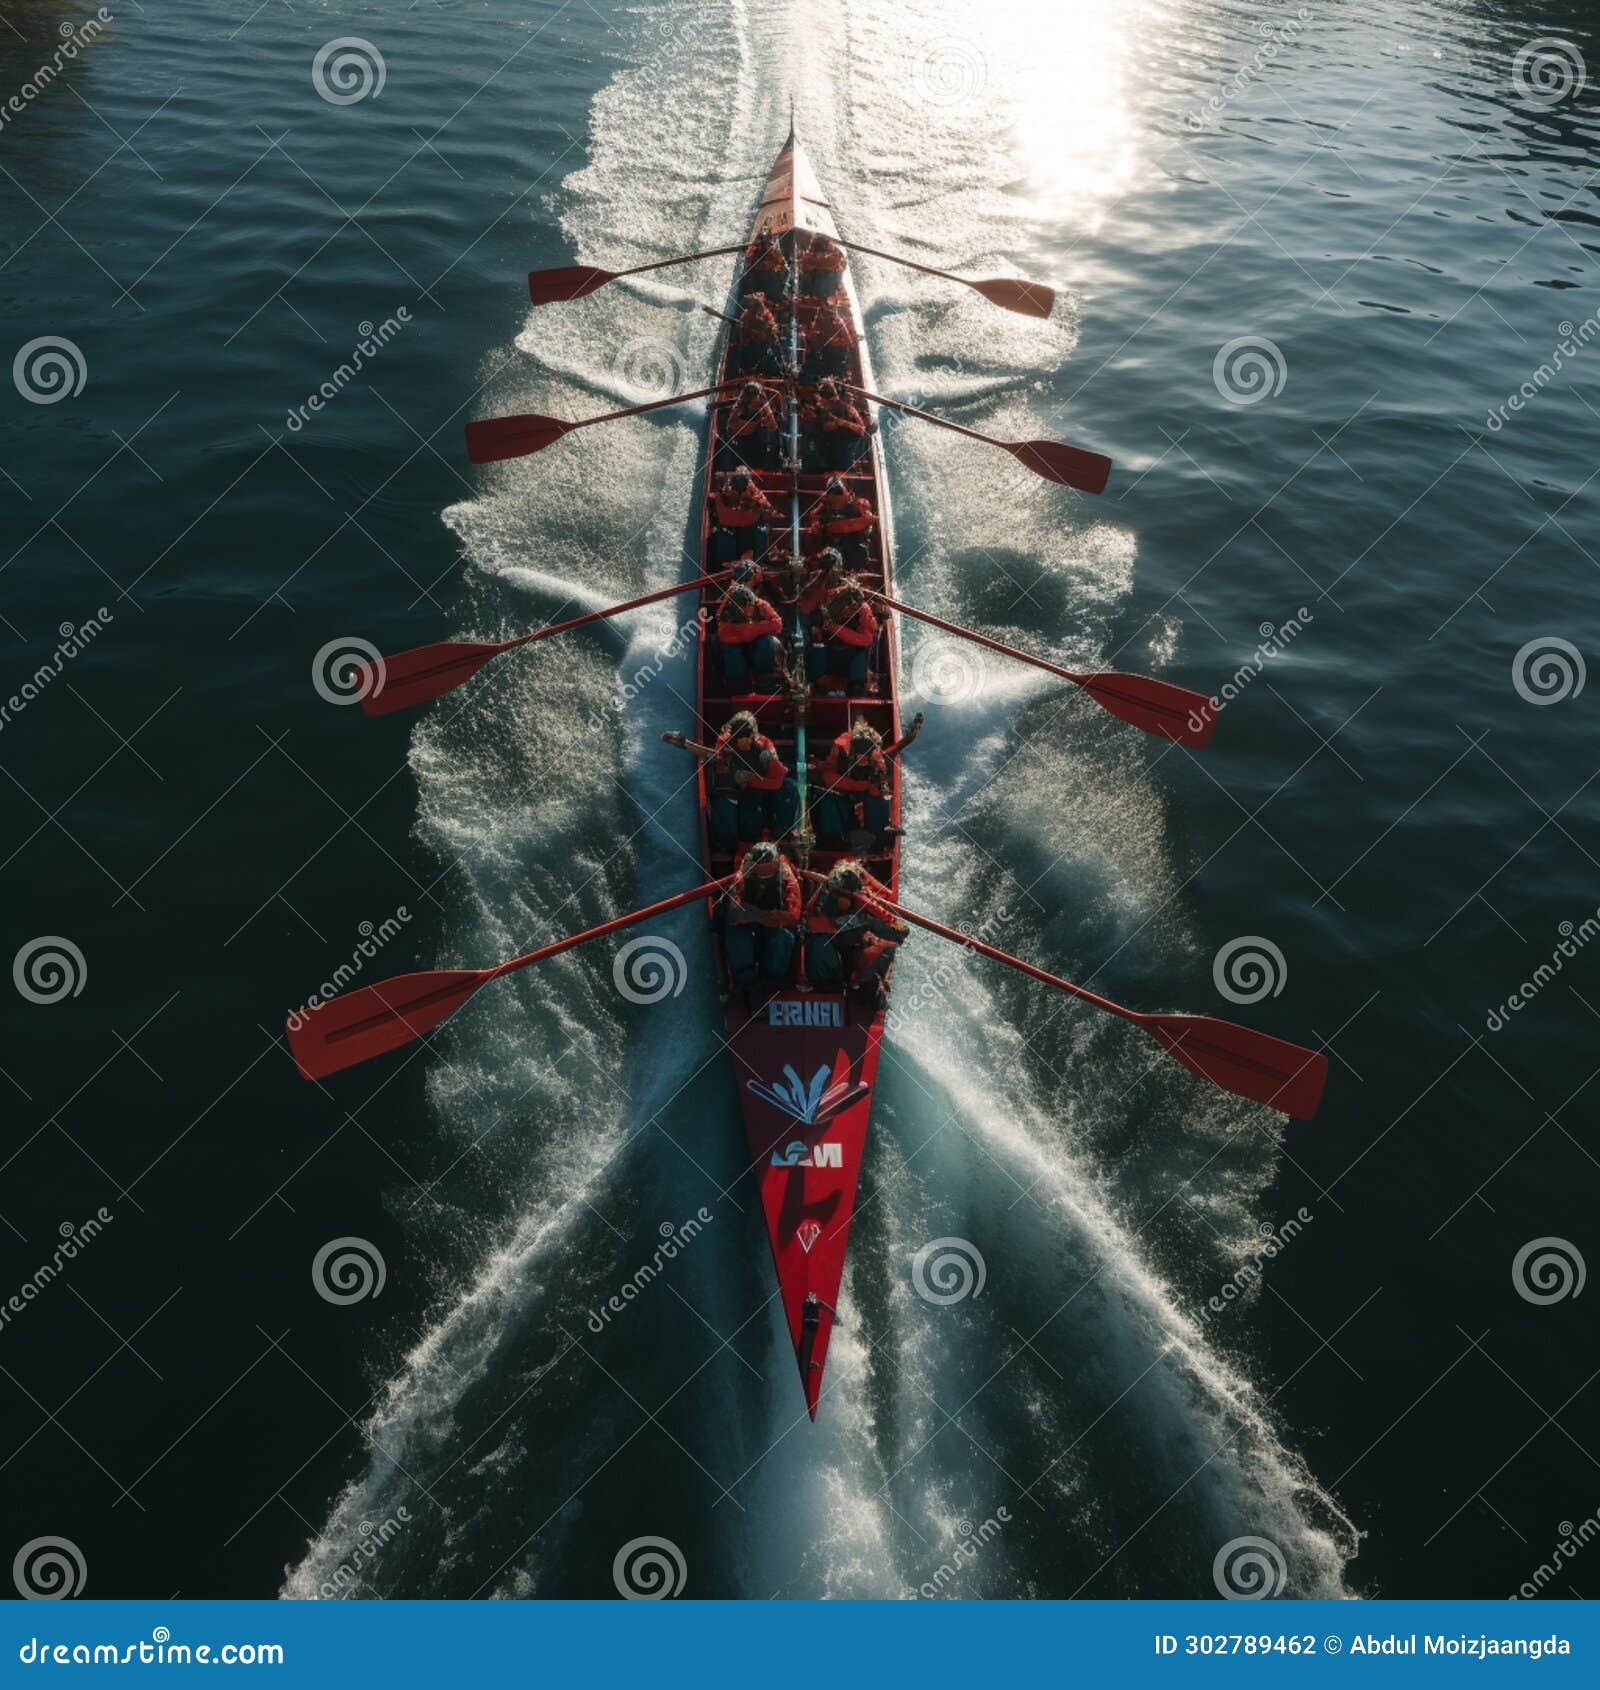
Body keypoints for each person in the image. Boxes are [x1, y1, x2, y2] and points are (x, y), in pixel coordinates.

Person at [664, 709, 798, 850]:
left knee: (788, 786)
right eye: (740, 735)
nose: (745, 739)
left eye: (748, 734)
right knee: (726, 794)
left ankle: (782, 832)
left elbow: (776, 776)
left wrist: (753, 779)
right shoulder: (726, 742)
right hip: (739, 791)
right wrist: (685, 743)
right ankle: (730, 840)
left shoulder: (765, 745)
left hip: (762, 787)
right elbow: (714, 757)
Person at [801, 858, 907, 1010]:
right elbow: (813, 924)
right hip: (827, 958)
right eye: (834, 893)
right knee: (819, 943)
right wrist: (845, 922)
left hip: (854, 949)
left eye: (840, 895)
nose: (836, 897)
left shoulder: (863, 903)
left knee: (884, 949)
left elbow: (900, 931)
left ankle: (868, 988)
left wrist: (867, 920)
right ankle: (829, 989)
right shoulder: (823, 898)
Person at [810, 712, 921, 851]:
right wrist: (859, 786)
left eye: (867, 754)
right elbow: (828, 776)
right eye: (860, 754)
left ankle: (879, 832)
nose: (863, 758)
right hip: (839, 789)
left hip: (862, 791)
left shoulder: (875, 756)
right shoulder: (840, 749)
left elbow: (880, 788)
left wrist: (906, 740)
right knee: (827, 798)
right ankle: (835, 840)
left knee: (879, 795)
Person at [722, 841, 802, 1005]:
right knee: (733, 931)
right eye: (761, 875)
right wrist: (761, 916)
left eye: (768, 875)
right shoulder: (743, 873)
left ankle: (772, 983)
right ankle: (747, 981)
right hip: (752, 924)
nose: (764, 880)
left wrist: (757, 915)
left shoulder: (786, 874)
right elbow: (734, 911)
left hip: (774, 927)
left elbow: (793, 915)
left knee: (783, 937)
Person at [807, 579, 877, 693]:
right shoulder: (826, 606)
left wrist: (863, 608)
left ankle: (856, 686)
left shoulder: (860, 614)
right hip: (825, 652)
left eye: (853, 605)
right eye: (848, 604)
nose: (850, 608)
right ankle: (815, 683)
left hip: (847, 655)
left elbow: (869, 635)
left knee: (863, 650)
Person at [716, 582, 784, 693]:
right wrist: (754, 630)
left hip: (755, 644)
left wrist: (749, 630)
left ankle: (765, 680)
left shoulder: (762, 605)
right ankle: (737, 684)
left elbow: (778, 625)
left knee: (766, 641)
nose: (744, 610)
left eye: (747, 605)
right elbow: (723, 635)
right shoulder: (727, 611)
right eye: (740, 607)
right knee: (731, 652)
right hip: (736, 645)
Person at [709, 465, 778, 563]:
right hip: (742, 527)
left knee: (722, 536)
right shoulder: (751, 494)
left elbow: (715, 500)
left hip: (733, 528)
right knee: (762, 532)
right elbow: (768, 508)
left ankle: (722, 565)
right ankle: (759, 562)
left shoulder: (724, 494)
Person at [812, 474, 875, 567]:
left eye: (839, 492)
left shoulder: (859, 505)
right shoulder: (824, 507)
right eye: (832, 493)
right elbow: (814, 519)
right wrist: (817, 526)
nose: (836, 496)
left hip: (855, 545)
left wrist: (833, 527)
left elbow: (867, 521)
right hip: (832, 547)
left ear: (848, 491)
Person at [719, 382, 782, 473]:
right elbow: (732, 427)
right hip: (740, 442)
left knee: (773, 438)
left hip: (754, 439)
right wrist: (766, 411)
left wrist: (765, 410)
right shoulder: (738, 411)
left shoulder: (757, 408)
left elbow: (773, 426)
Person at [807, 300, 858, 382]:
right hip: (822, 354)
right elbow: (812, 334)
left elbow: (849, 343)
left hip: (836, 356)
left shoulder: (839, 324)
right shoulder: (820, 319)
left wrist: (833, 341)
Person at [734, 292, 781, 377]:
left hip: (764, 344)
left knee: (770, 358)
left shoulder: (766, 314)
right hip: (750, 345)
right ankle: (746, 371)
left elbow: (773, 326)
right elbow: (742, 337)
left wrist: (769, 328)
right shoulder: (746, 316)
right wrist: (747, 330)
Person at [799, 231, 846, 300]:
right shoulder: (834, 256)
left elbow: (805, 266)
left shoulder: (834, 259)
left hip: (824, 287)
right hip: (822, 284)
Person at [743, 234, 789, 303]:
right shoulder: (752, 250)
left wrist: (775, 267)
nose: (761, 244)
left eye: (765, 242)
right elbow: (749, 263)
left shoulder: (773, 251)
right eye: (760, 242)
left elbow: (781, 265)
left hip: (769, 277)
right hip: (757, 276)